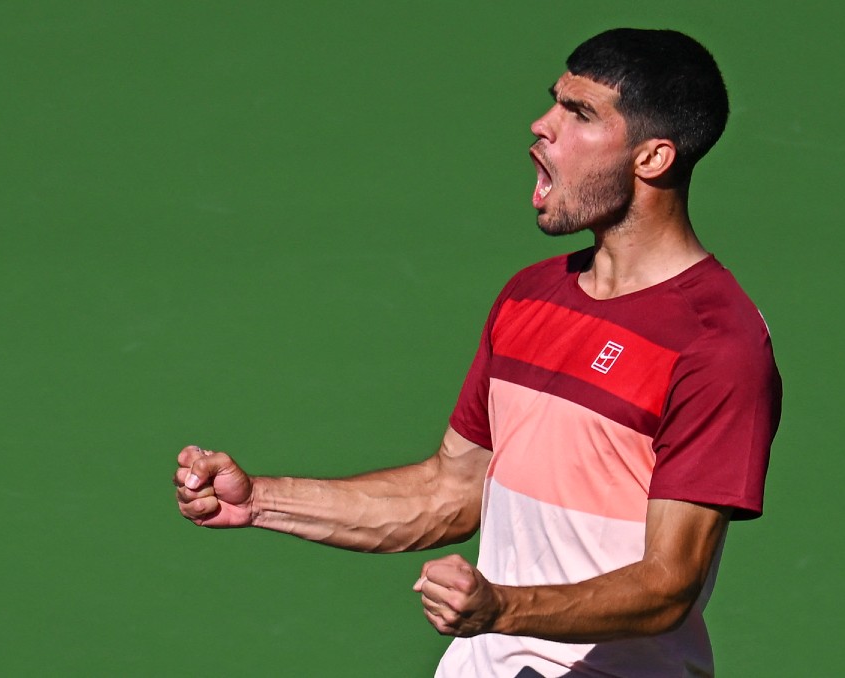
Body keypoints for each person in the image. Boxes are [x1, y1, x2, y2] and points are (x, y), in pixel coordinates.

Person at [175, 27, 782, 678]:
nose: (542, 124)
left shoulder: (715, 344)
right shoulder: (530, 297)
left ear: (653, 158)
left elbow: (668, 583)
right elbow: (451, 492)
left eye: (579, 114)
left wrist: (503, 609)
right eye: (555, 101)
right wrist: (260, 501)